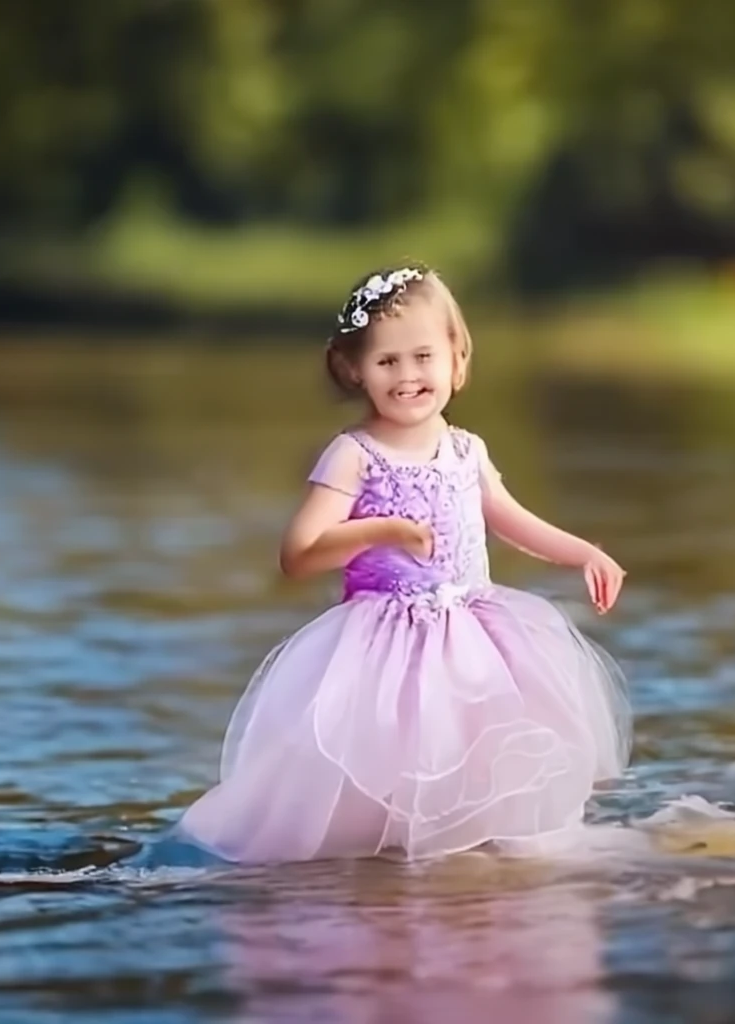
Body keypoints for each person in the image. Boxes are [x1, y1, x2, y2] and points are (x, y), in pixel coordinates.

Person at [174, 264, 632, 864]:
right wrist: (379, 529)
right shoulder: (353, 455)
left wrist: (584, 553)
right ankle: (391, 871)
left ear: (456, 360)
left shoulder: (466, 449)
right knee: (395, 763)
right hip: (383, 648)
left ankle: (475, 861)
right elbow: (297, 554)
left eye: (423, 357)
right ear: (354, 369)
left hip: (474, 638)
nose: (408, 376)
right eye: (388, 362)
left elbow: (512, 520)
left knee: (480, 753)